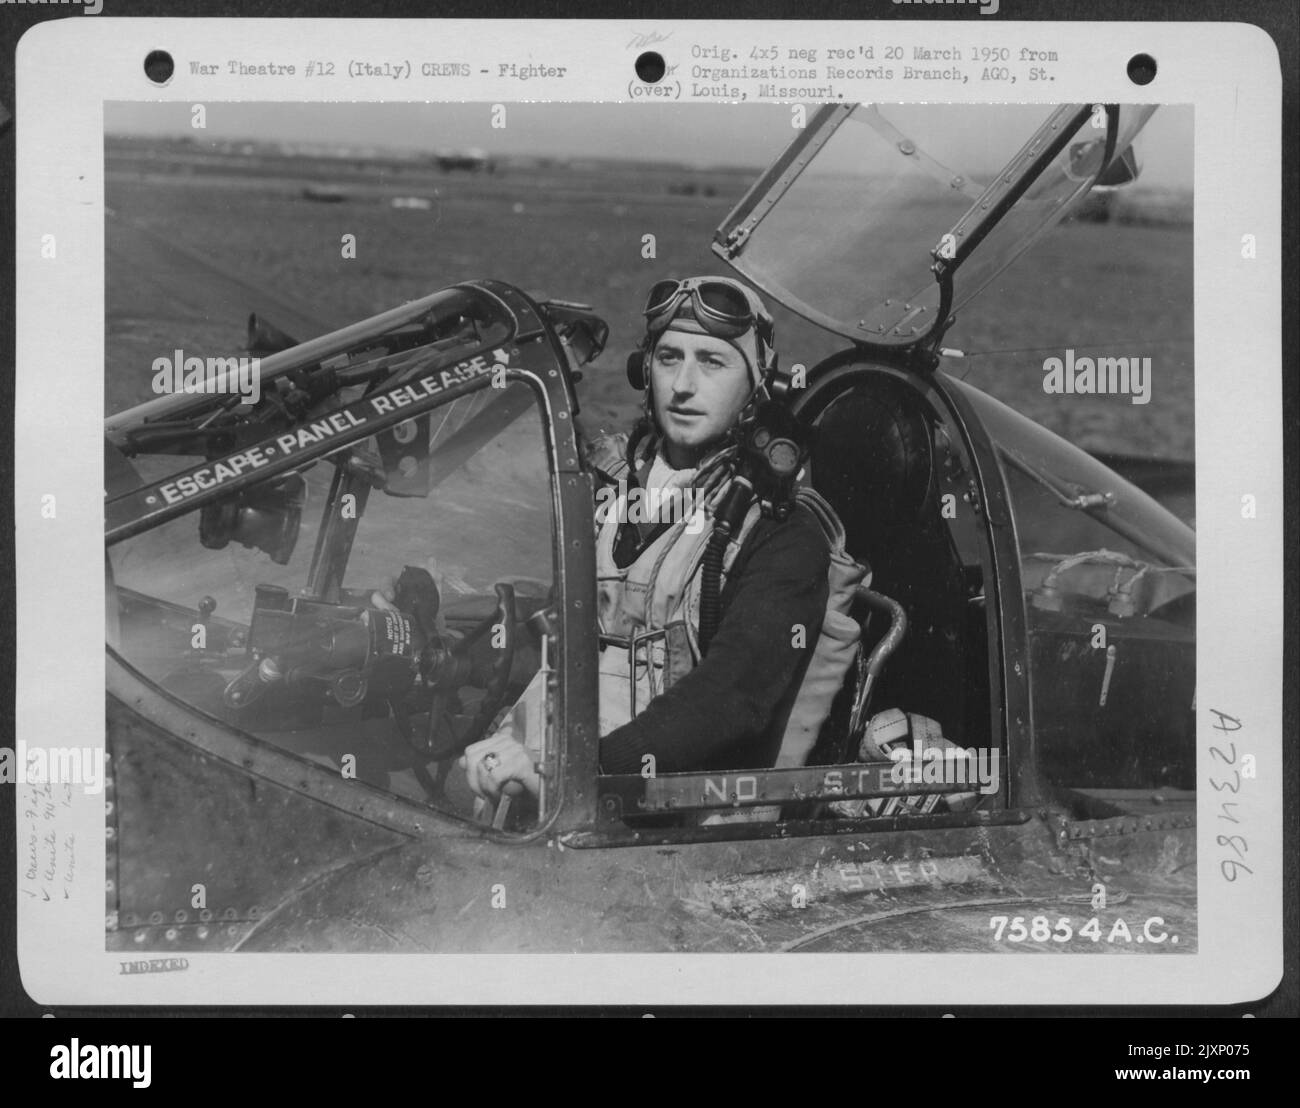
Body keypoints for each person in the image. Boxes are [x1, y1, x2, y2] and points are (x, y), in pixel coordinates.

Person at [461, 276, 832, 804]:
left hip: (651, 823)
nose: (682, 384)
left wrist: (574, 773)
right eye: (668, 358)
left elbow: (729, 698)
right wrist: (441, 656)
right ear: (644, 370)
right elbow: (550, 637)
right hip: (532, 773)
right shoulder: (600, 489)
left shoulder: (780, 535)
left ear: (756, 388)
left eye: (712, 362)